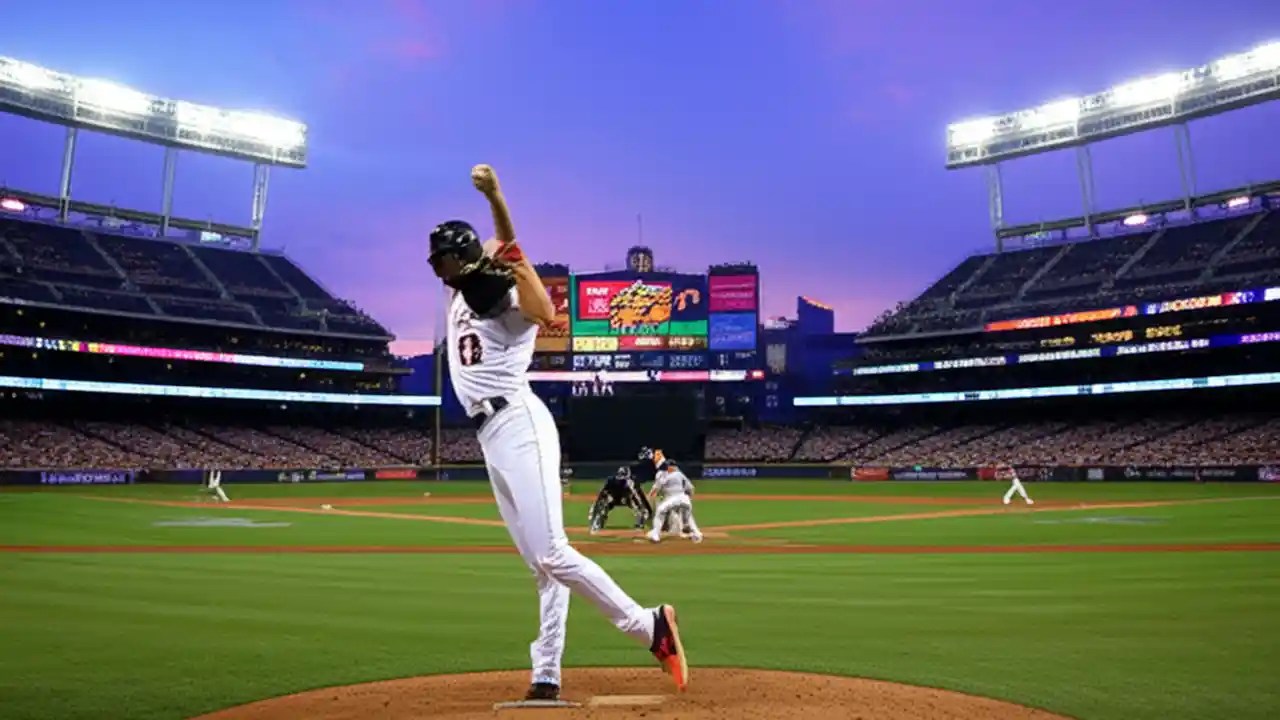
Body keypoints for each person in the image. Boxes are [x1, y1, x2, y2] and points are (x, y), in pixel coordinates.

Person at [430, 164, 688, 701]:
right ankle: (546, 674)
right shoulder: (466, 286)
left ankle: (650, 626)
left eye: (447, 259)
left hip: (519, 422)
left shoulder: (504, 298)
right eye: (437, 261)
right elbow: (503, 238)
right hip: (490, 437)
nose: (440, 268)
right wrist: (496, 206)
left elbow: (545, 310)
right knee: (540, 566)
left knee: (553, 553)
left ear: (465, 256)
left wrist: (503, 215)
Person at [647, 459, 703, 543]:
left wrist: (651, 495)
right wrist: (689, 498)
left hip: (673, 499)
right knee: (688, 517)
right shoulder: (680, 474)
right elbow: (691, 488)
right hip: (684, 499)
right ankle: (697, 533)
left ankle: (655, 536)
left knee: (660, 512)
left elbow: (658, 487)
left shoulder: (665, 475)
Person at [588, 466, 649, 533]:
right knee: (603, 507)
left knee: (603, 507)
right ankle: (598, 523)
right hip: (617, 499)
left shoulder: (611, 480)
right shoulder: (626, 482)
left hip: (622, 499)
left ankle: (597, 524)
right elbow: (602, 493)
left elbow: (602, 493)